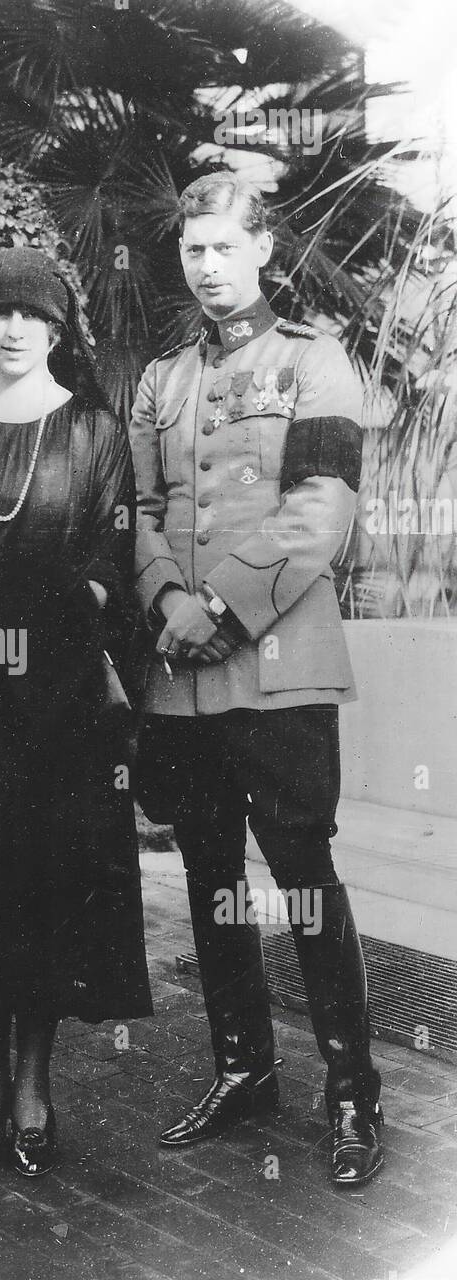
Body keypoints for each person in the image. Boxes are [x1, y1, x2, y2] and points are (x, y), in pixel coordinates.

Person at [129, 171, 383, 1187]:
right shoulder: (158, 380)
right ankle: (243, 1069)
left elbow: (319, 510)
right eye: (192, 251)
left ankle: (352, 1090)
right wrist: (160, 604)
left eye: (223, 248)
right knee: (205, 872)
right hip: (182, 678)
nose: (205, 267)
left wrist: (215, 608)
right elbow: (137, 511)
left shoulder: (315, 365)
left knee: (302, 880)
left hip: (276, 671)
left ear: (262, 252)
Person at [0, 248, 152, 1181]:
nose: (12, 330)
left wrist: (12, 593)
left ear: (57, 331)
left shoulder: (94, 431)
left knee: (47, 886)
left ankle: (36, 1081)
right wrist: (29, 591)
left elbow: (104, 568)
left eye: (30, 317)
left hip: (62, 709)